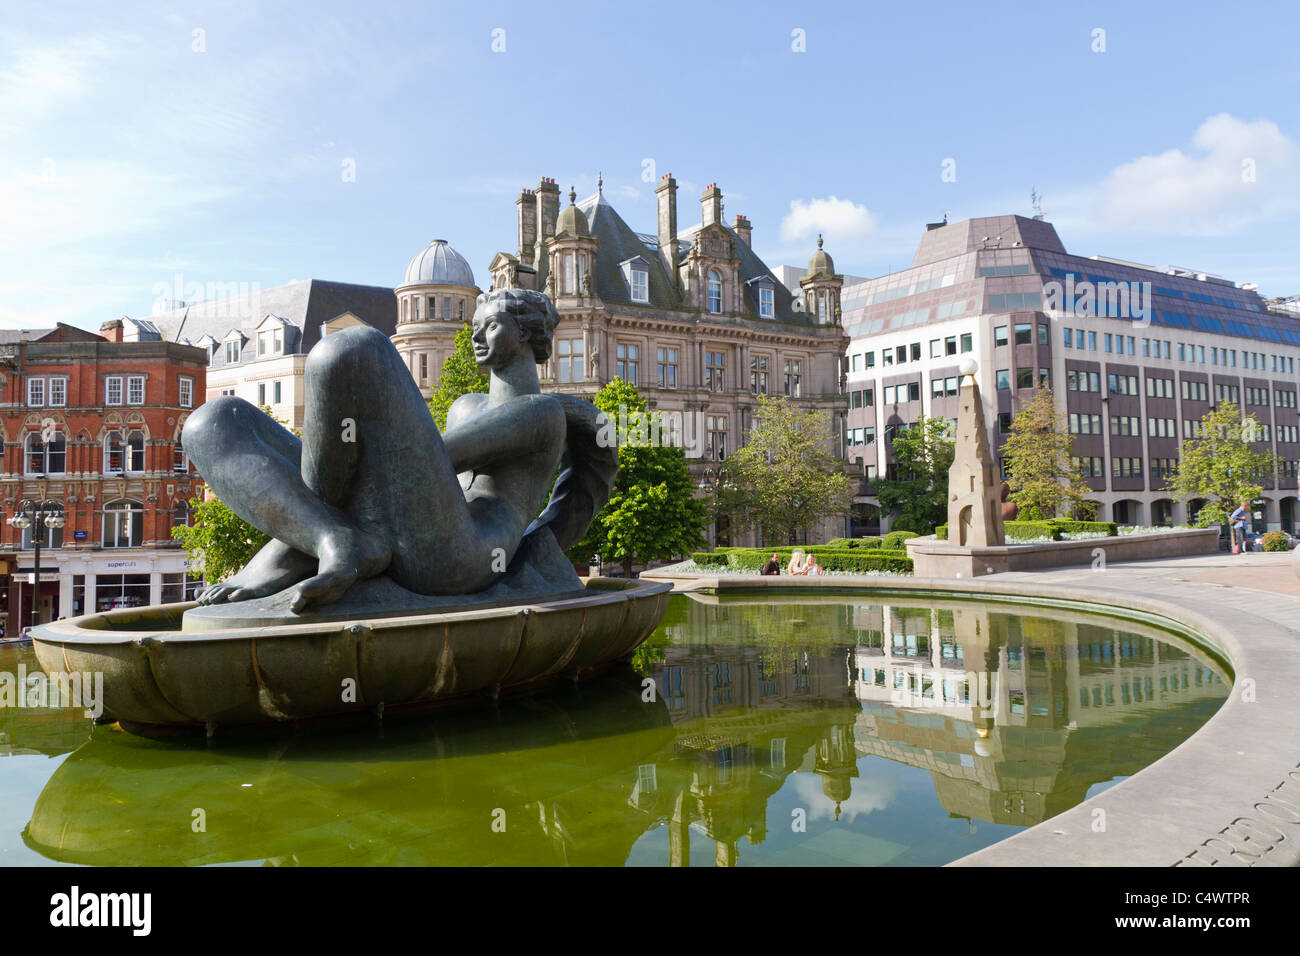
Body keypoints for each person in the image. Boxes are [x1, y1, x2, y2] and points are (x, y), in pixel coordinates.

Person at [184, 289, 599, 612]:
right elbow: (417, 472)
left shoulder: (543, 413)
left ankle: (299, 549)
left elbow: (437, 458)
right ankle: (332, 538)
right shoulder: (464, 404)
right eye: (473, 325)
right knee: (212, 423)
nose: (473, 335)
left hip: (462, 558)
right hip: (411, 526)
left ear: (525, 333)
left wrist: (360, 423)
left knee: (351, 350)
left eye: (490, 325)